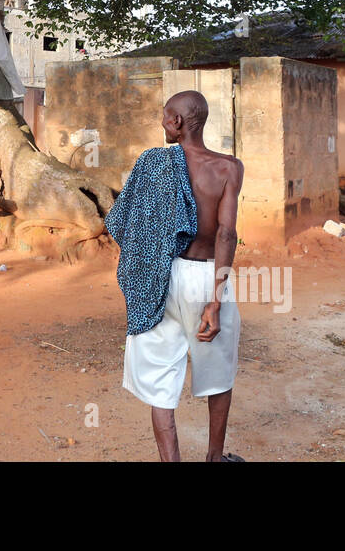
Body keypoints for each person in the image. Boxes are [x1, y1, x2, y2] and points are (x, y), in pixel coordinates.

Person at [105, 89, 245, 462]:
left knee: (158, 380)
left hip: (161, 280)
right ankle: (215, 459)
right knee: (218, 373)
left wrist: (144, 267)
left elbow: (124, 222)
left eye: (165, 116)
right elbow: (226, 234)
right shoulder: (228, 168)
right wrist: (215, 302)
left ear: (177, 121)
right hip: (206, 277)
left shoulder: (152, 164)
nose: (163, 123)